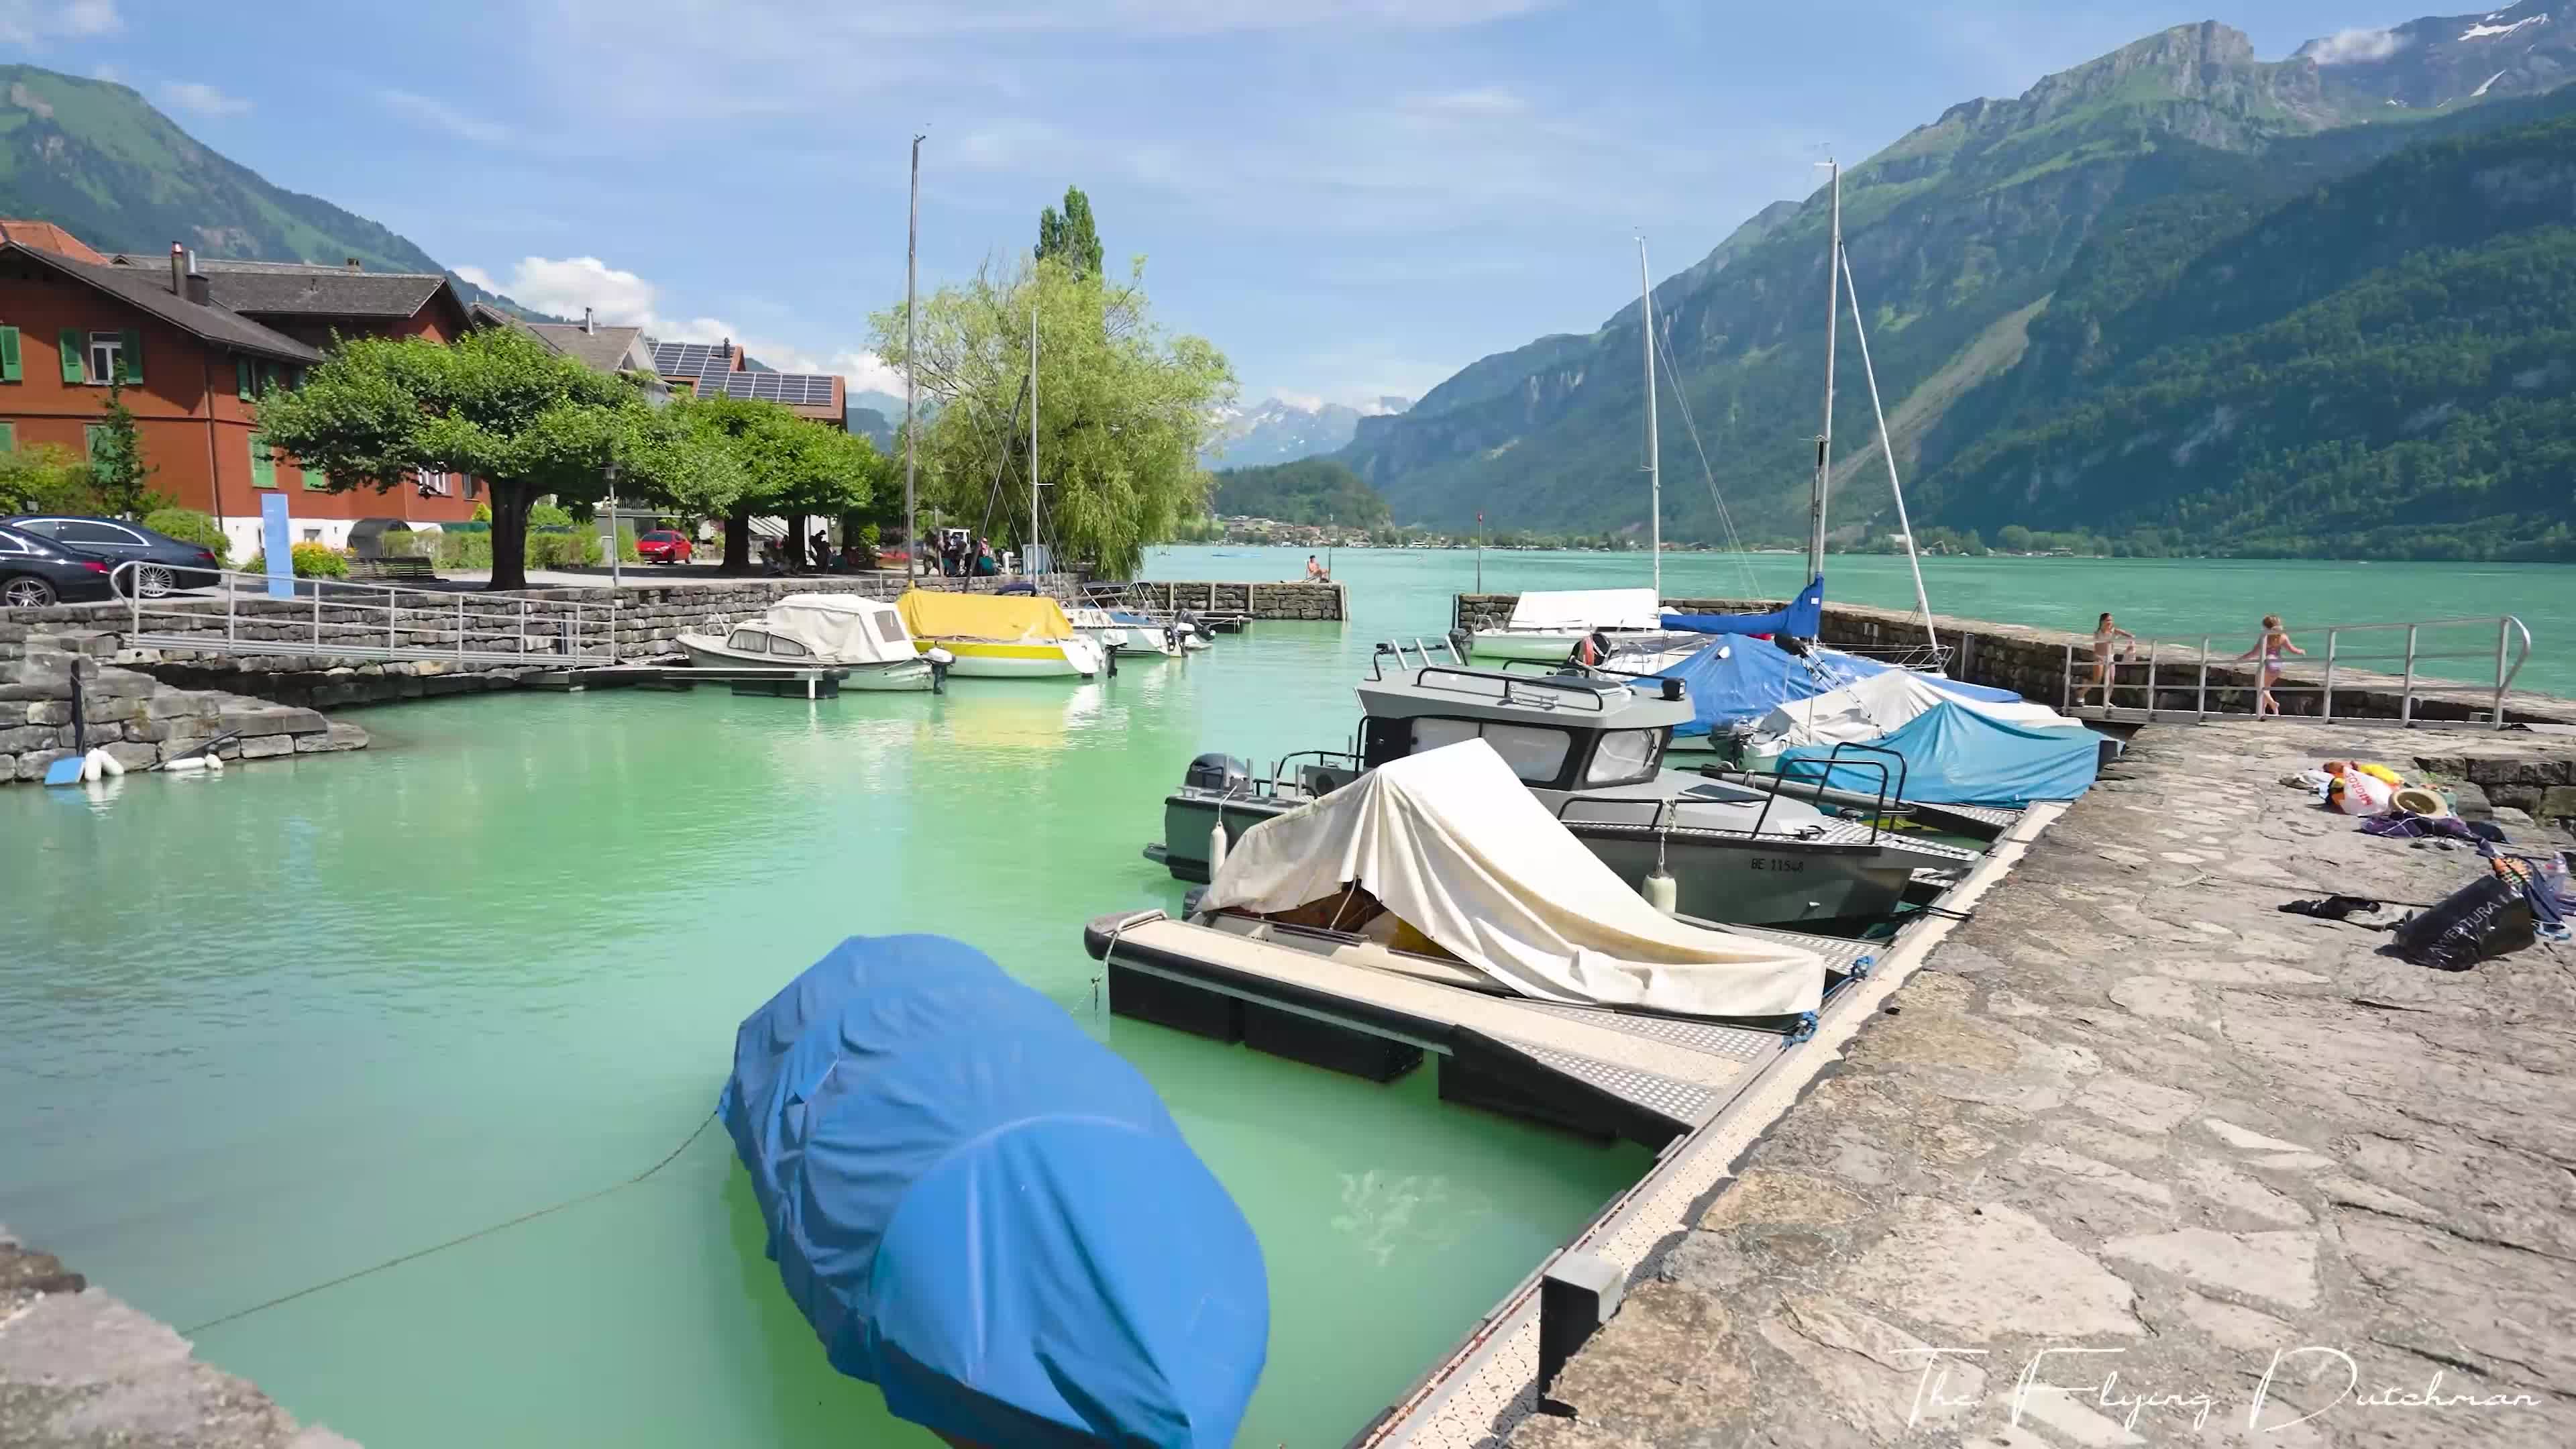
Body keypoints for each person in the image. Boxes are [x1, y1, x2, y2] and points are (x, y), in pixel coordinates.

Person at [2234, 614, 2304, 716]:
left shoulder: (2265, 637)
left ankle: (2273, 704)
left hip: (2267, 664)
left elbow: (2254, 653)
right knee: (2266, 688)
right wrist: (2300, 651)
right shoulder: (2283, 636)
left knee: (2260, 687)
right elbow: (2293, 650)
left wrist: (2240, 659)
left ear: (2266, 626)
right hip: (2278, 665)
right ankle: (2262, 712)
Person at [2088, 612, 2137, 708]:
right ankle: (2081, 693)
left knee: (2111, 680)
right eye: (2108, 620)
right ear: (2102, 621)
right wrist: (2095, 656)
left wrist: (2131, 644)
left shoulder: (2114, 631)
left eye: (2111, 620)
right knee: (2097, 680)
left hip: (2110, 658)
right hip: (2100, 658)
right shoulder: (2097, 633)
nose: (2110, 622)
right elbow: (2096, 646)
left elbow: (2131, 635)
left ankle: (2106, 701)